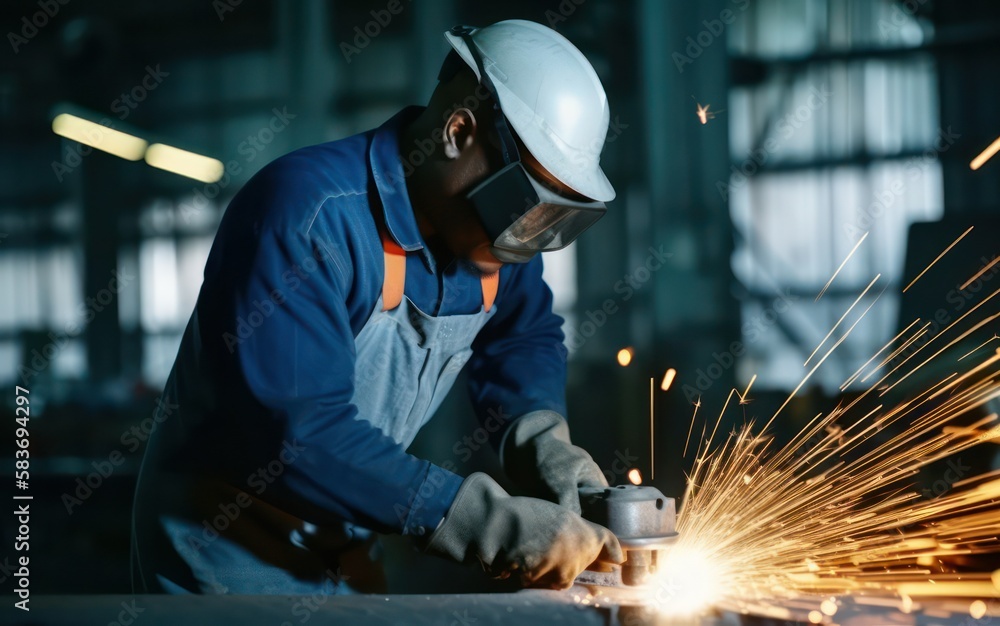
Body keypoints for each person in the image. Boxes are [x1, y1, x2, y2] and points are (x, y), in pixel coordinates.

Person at [131, 19, 623, 595]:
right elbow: (299, 435)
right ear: (458, 132)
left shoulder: (495, 234)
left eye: (554, 218)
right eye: (531, 203)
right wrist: (477, 518)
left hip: (346, 545)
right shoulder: (308, 216)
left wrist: (544, 443)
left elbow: (523, 335)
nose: (532, 233)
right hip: (226, 560)